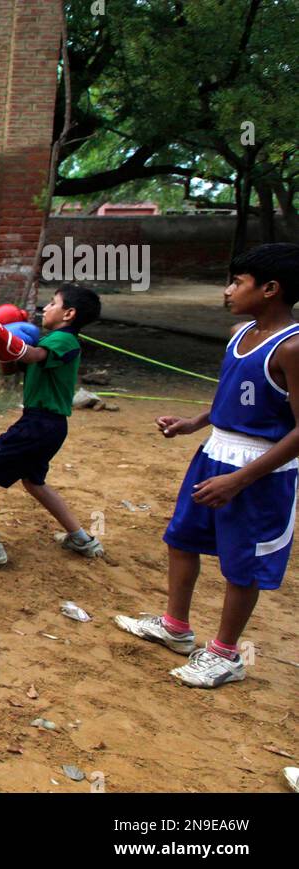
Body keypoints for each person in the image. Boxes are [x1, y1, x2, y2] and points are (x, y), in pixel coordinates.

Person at [115, 243, 299, 688]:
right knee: (182, 538)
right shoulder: (240, 333)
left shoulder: (292, 348)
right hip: (214, 454)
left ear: (270, 289)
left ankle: (225, 653)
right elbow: (232, 395)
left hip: (260, 472)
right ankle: (176, 626)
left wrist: (241, 479)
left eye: (238, 282)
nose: (228, 290)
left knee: (242, 564)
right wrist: (193, 422)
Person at [0, 285, 104, 566]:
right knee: (34, 482)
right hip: (45, 424)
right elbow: (10, 368)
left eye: (53, 304)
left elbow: (30, 356)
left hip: (40, 424)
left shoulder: (64, 341)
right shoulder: (48, 340)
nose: (45, 309)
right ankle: (81, 537)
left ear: (69, 313)